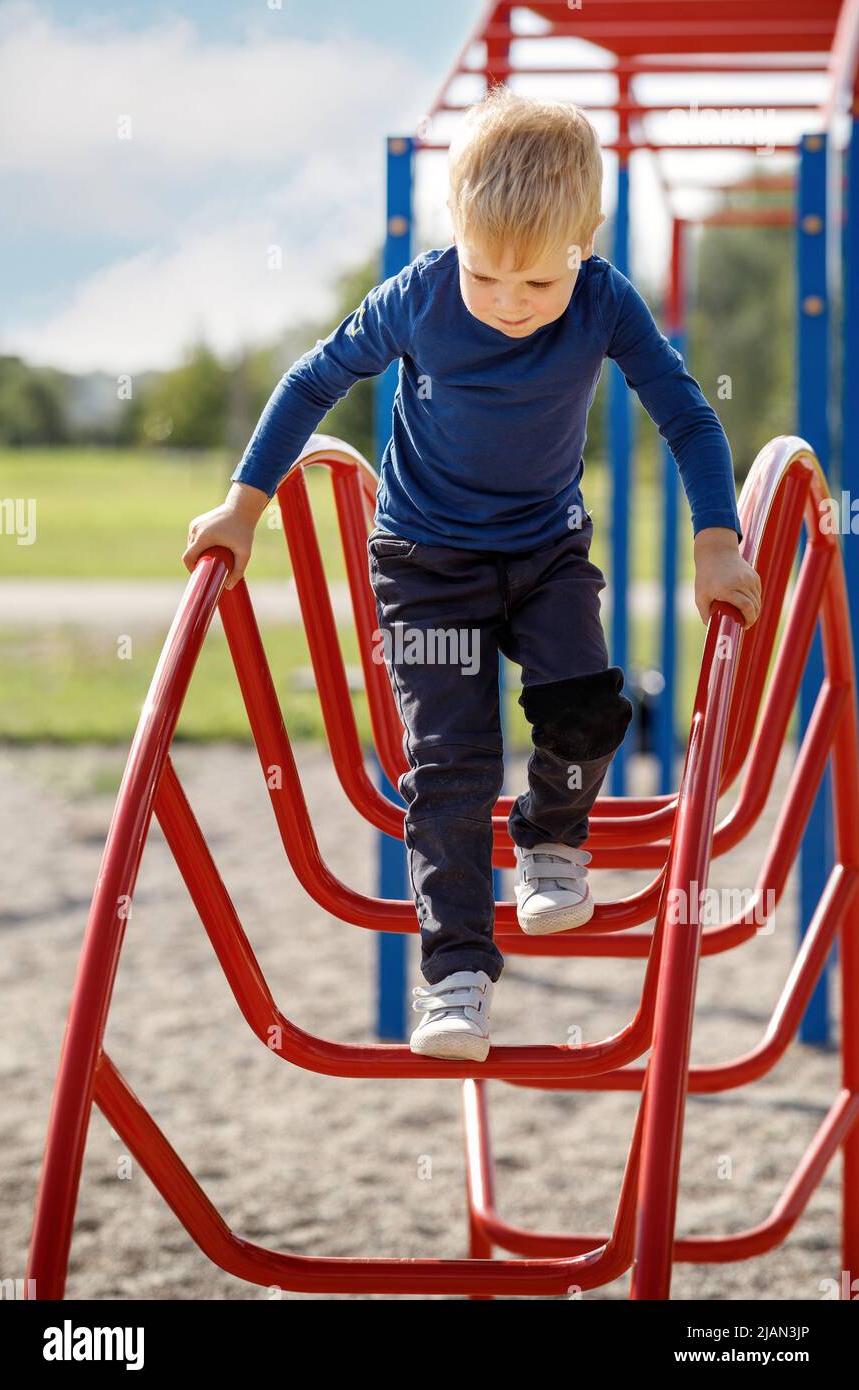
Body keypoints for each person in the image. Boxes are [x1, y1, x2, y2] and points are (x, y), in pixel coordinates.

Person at [183, 85, 762, 1063]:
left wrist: (714, 535)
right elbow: (312, 380)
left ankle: (548, 836)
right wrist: (245, 502)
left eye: (537, 286)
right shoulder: (418, 298)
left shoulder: (602, 304)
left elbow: (687, 415)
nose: (506, 304)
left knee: (585, 709)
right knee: (449, 764)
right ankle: (454, 978)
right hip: (425, 563)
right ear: (457, 236)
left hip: (544, 551)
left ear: (586, 244)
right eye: (486, 276)